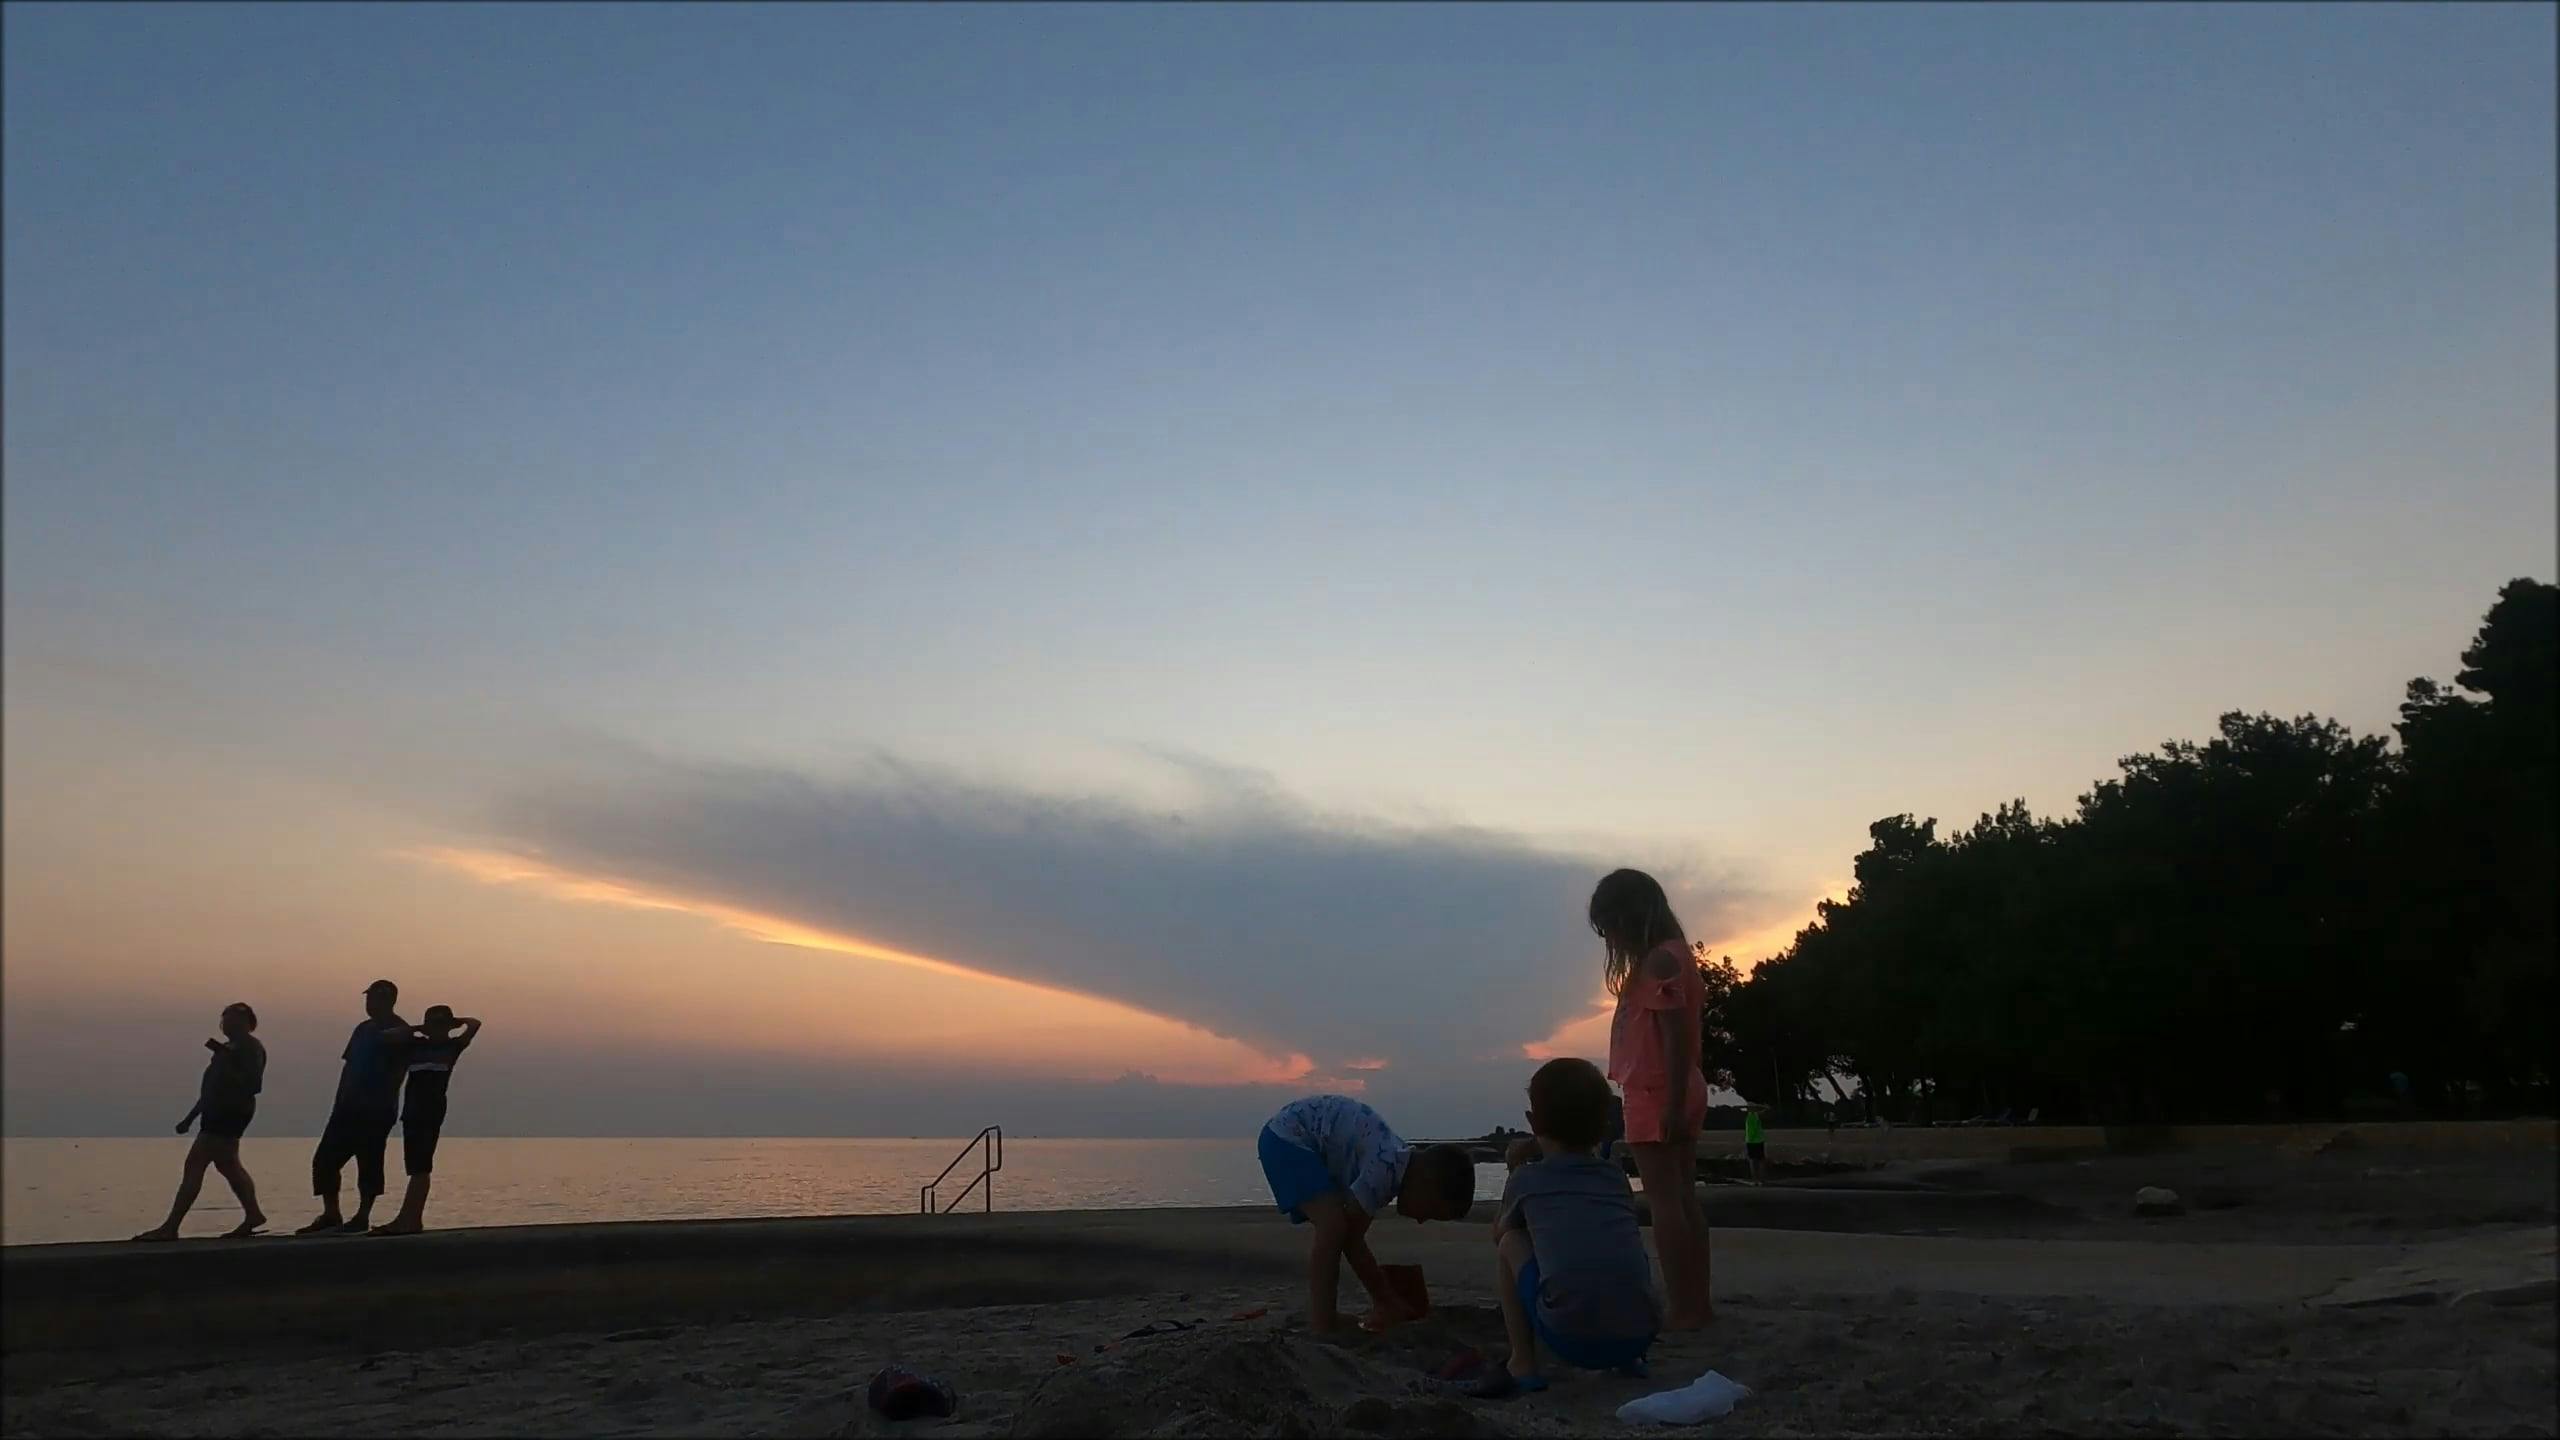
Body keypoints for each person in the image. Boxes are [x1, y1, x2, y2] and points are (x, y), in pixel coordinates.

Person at [1468, 1057, 1660, 1399]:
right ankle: (1631, 1359)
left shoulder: (1527, 1179)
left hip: (1572, 1340)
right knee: (1613, 1237)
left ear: (1532, 1121)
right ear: (1603, 1126)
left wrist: (1514, 1169)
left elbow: (1500, 1232)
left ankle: (1522, 1363)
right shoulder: (1615, 1177)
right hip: (1638, 1333)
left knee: (1511, 1241)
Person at [1592, 868, 1713, 1329]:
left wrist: (1671, 1104)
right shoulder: (1669, 957)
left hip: (1658, 1091)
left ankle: (1685, 1307)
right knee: (1682, 1198)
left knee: (1666, 1202)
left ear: (1630, 917)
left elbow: (1676, 1038)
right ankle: (1695, 1304)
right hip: (1668, 1089)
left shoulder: (1660, 963)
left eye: (1609, 926)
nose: (1609, 938)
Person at [1256, 1093, 1476, 1335]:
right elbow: (1352, 1242)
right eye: (1431, 1212)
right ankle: (1322, 1322)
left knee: (1338, 1227)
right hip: (1286, 1138)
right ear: (1427, 1184)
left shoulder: (1393, 1160)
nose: (1422, 1220)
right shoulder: (1384, 1169)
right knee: (1333, 1228)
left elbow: (1354, 1239)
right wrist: (1385, 1300)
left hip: (1295, 1138)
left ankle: (1329, 1316)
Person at [133, 1003, 268, 1241]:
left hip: (230, 1112)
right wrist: (190, 1117)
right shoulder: (227, 1048)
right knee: (228, 1166)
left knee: (196, 1163)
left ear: (247, 1022)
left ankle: (171, 1226)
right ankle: (253, 1214)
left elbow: (253, 1085)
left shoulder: (249, 1047)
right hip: (215, 1112)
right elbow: (210, 1089)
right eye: (224, 1019)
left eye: (232, 1020)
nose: (226, 1024)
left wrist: (228, 1063)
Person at [298, 979, 412, 1235]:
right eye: (368, 999)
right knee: (324, 1160)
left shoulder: (400, 1031)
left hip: (376, 1109)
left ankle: (362, 1215)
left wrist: (382, 1100)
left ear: (388, 1000)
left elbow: (399, 1071)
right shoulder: (362, 1029)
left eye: (374, 999)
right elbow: (348, 1067)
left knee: (369, 1161)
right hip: (346, 1107)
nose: (369, 1004)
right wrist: (339, 1100)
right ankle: (331, 1214)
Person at [372, 1006, 482, 1236]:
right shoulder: (415, 1046)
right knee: (415, 1167)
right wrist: (417, 1029)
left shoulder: (452, 1047)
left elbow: (475, 1024)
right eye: (434, 1024)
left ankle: (409, 1219)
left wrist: (456, 1022)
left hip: (430, 1111)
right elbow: (384, 1037)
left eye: (442, 1025)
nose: (437, 1030)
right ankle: (410, 1218)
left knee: (420, 1167)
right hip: (412, 1111)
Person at [1743, 1104, 1769, 1185]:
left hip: (1751, 1141)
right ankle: (1761, 1180)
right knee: (1760, 1160)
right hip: (1758, 1141)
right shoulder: (1755, 1115)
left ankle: (1756, 1180)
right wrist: (1764, 1107)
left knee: (1753, 1161)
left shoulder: (1750, 1116)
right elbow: (1764, 1110)